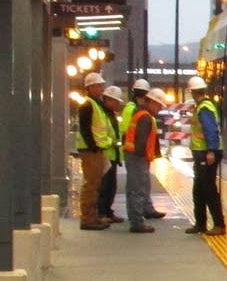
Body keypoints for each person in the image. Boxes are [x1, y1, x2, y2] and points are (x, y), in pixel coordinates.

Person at [121, 88, 170, 232]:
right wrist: (145, 156)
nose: (159, 109)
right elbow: (141, 141)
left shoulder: (139, 113)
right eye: (159, 106)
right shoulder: (145, 117)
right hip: (138, 157)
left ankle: (135, 220)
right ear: (153, 102)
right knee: (138, 189)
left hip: (133, 155)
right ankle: (137, 223)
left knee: (133, 188)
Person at [73, 72, 117, 230]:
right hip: (91, 150)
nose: (101, 89)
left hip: (96, 149)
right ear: (90, 88)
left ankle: (93, 216)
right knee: (91, 184)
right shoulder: (88, 105)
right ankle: (88, 218)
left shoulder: (95, 104)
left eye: (101, 86)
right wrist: (93, 146)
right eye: (98, 86)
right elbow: (86, 129)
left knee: (95, 184)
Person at [185, 75, 226, 237]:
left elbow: (211, 130)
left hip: (206, 154)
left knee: (208, 190)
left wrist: (211, 151)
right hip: (201, 153)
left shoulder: (205, 108)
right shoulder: (201, 107)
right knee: (199, 190)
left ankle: (219, 224)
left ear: (193, 92)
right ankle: (200, 223)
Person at [96, 85, 126, 226]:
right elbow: (101, 134)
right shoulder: (103, 114)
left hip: (112, 154)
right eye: (115, 101)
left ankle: (107, 211)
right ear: (107, 100)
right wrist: (112, 142)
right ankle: (101, 212)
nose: (117, 104)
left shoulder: (111, 115)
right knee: (104, 186)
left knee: (111, 186)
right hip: (105, 153)